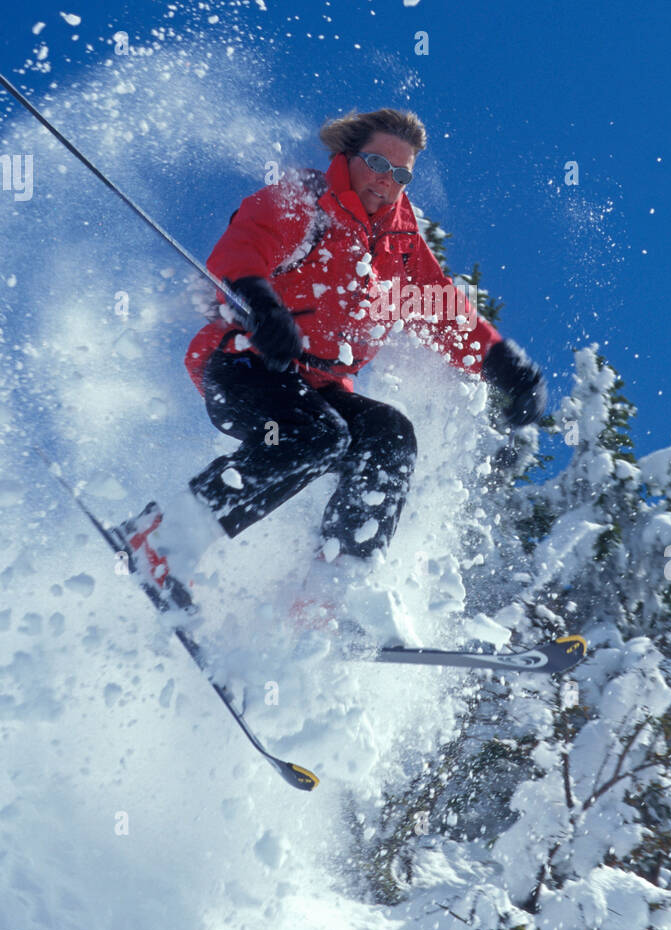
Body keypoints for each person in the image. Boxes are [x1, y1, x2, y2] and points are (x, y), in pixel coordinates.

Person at [117, 108, 546, 645]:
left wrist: (503, 364)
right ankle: (161, 541)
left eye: (401, 174)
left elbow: (441, 310)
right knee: (315, 435)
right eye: (376, 163)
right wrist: (261, 304)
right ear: (348, 155)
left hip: (319, 387)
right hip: (244, 362)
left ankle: (325, 597)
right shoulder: (303, 200)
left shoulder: (400, 240)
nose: (387, 180)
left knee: (388, 437)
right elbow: (242, 249)